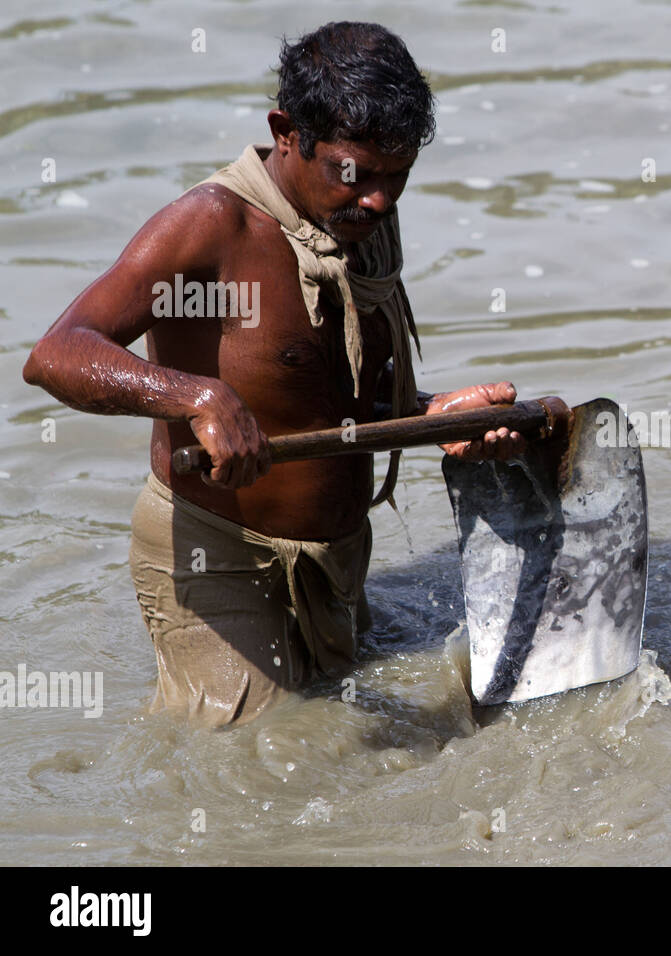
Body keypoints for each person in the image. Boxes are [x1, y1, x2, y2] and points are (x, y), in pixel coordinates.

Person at [22, 22, 527, 726]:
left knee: (375, 754)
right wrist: (194, 396)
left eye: (398, 173)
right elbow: (58, 351)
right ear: (286, 132)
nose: (380, 199)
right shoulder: (212, 225)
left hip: (340, 561)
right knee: (266, 774)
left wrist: (435, 414)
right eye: (356, 173)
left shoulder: (361, 223)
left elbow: (324, 397)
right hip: (217, 557)